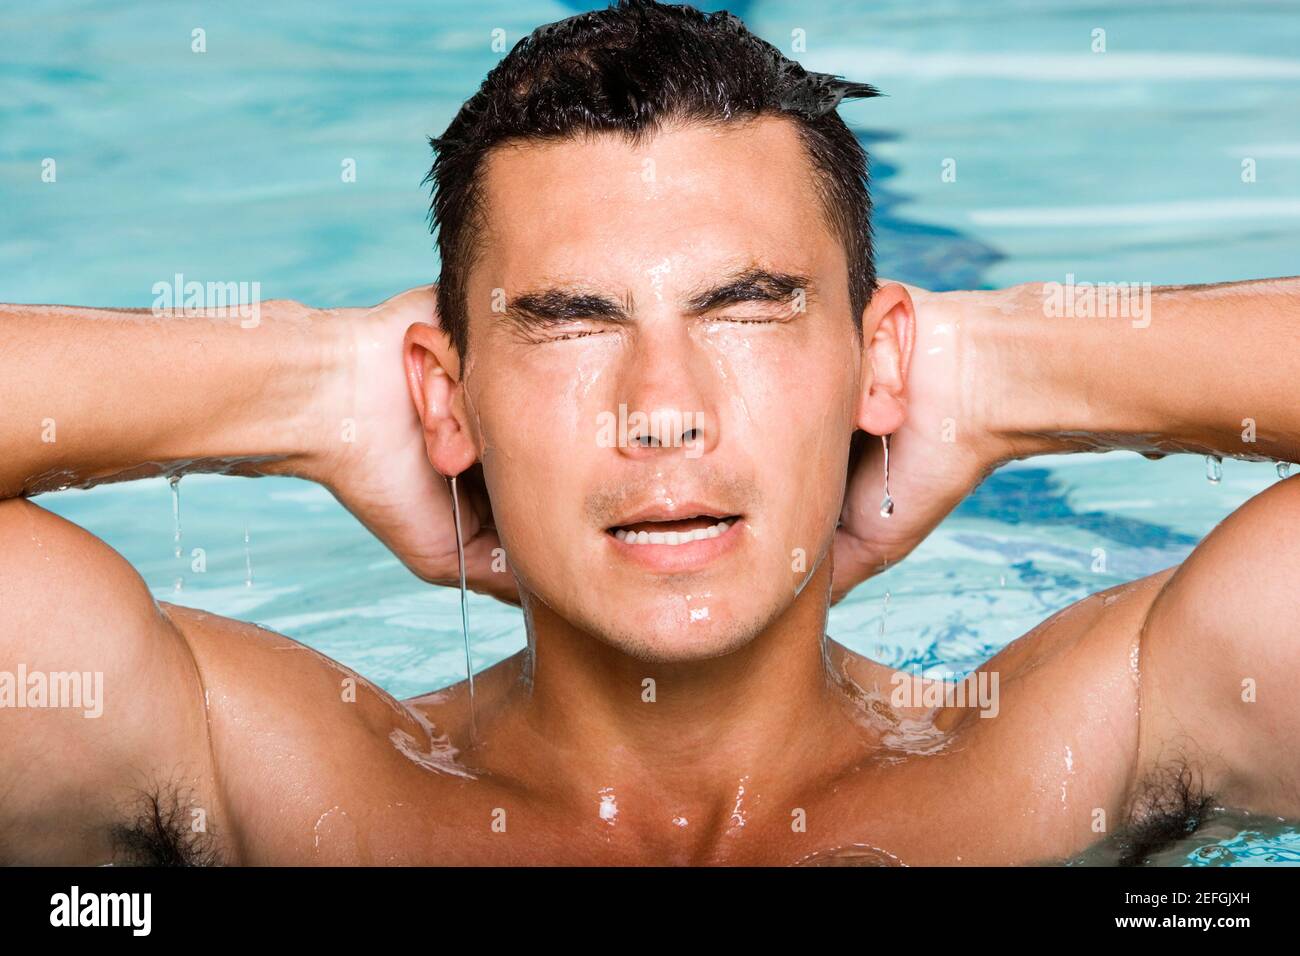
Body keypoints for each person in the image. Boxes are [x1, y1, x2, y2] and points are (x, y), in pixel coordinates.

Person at [1, 0, 1297, 866]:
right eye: (571, 321)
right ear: (446, 399)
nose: (664, 406)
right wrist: (300, 385)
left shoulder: (1091, 745)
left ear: (877, 359)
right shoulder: (267, 784)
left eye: (749, 312)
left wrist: (1021, 364)